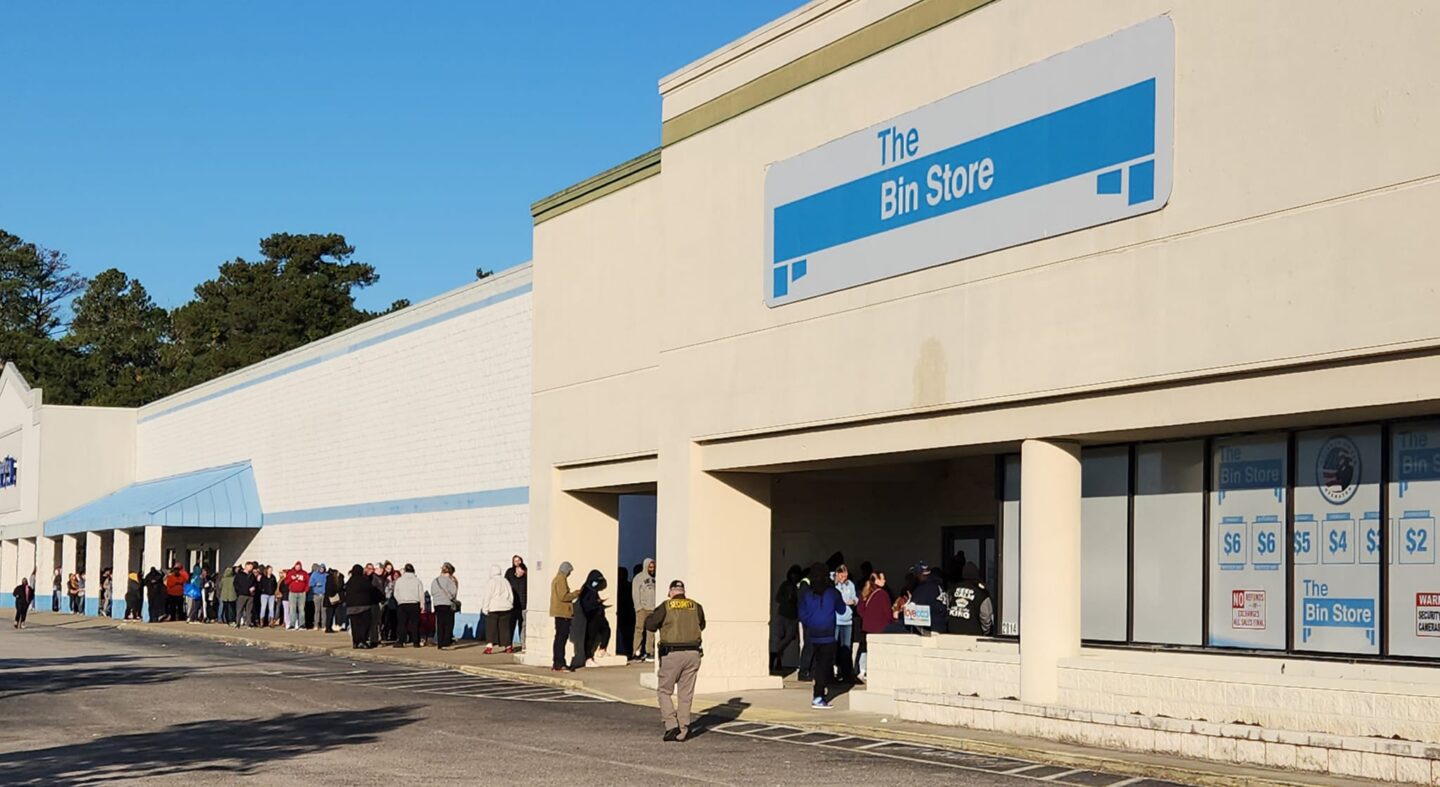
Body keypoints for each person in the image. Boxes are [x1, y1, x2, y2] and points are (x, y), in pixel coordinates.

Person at [645, 579, 706, 742]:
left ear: (671, 592)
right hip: (693, 654)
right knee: (685, 694)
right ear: (683, 592)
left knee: (664, 691)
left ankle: (672, 726)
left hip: (672, 655)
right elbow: (702, 625)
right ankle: (683, 729)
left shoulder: (666, 606)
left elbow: (650, 625)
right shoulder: (696, 606)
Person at [798, 563, 845, 709]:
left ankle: (818, 692)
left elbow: (801, 613)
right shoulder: (832, 592)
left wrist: (810, 622)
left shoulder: (807, 593)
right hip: (828, 634)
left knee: (817, 663)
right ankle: (818, 696)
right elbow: (842, 609)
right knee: (824, 665)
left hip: (813, 632)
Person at [856, 570, 892, 679]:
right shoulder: (883, 594)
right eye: (882, 578)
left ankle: (862, 670)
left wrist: (867, 617)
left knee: (865, 648)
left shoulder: (865, 592)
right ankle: (872, 670)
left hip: (867, 626)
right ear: (877, 580)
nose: (885, 580)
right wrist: (891, 621)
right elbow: (887, 612)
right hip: (880, 627)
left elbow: (860, 609)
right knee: (876, 650)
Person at [570, 569, 609, 669]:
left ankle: (602, 649)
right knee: (590, 637)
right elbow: (586, 604)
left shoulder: (593, 589)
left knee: (606, 630)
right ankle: (588, 658)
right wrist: (596, 603)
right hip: (592, 616)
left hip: (598, 614)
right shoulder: (587, 589)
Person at [946, 562, 994, 636]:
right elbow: (986, 617)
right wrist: (985, 632)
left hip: (952, 633)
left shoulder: (953, 589)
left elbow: (946, 607)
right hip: (973, 635)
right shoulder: (982, 593)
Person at [770, 564, 802, 674]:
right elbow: (778, 598)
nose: (794, 576)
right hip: (783, 614)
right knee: (779, 637)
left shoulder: (799, 586)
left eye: (796, 574)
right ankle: (777, 659)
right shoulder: (785, 585)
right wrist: (787, 599)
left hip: (793, 616)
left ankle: (775, 653)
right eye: (793, 574)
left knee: (788, 638)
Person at [550, 562, 581, 671]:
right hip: (563, 613)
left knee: (559, 638)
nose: (569, 574)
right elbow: (563, 596)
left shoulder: (557, 579)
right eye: (569, 571)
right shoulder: (561, 579)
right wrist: (576, 593)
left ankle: (557, 663)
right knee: (561, 639)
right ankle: (559, 663)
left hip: (559, 613)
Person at [832, 564, 858, 683]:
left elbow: (855, 598)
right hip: (836, 619)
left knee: (846, 648)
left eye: (845, 576)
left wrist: (853, 601)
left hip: (847, 620)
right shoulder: (833, 584)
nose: (843, 579)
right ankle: (833, 671)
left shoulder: (850, 584)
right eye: (842, 576)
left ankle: (846, 673)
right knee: (834, 646)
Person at [908, 561, 949, 634]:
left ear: (920, 574)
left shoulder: (924, 589)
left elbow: (911, 611)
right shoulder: (939, 586)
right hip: (943, 628)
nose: (915, 577)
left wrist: (904, 609)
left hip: (930, 630)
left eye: (915, 574)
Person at [345, 564, 381, 649]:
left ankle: (356, 642)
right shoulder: (364, 581)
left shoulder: (349, 582)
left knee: (355, 626)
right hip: (364, 606)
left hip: (351, 608)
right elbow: (371, 590)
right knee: (364, 625)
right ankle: (362, 641)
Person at [482, 563, 515, 654]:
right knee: (505, 628)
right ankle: (508, 646)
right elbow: (511, 595)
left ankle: (489, 647)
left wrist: (485, 608)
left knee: (491, 628)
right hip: (506, 608)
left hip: (493, 608)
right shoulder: (505, 581)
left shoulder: (491, 582)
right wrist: (510, 604)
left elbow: (487, 596)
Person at [393, 563, 424, 647]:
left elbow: (395, 593)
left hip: (402, 604)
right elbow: (421, 594)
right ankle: (416, 642)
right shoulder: (417, 581)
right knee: (415, 624)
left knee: (402, 624)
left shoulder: (399, 580)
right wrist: (422, 605)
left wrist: (399, 601)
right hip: (414, 604)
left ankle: (401, 641)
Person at [631, 558, 656, 662]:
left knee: (651, 631)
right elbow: (635, 593)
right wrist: (638, 607)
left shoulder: (655, 578)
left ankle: (650, 652)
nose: (652, 569)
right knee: (639, 630)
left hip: (653, 609)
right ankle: (636, 653)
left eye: (653, 567)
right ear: (646, 566)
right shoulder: (638, 578)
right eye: (650, 567)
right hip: (642, 608)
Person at [431, 563, 459, 649]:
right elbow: (453, 592)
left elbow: (432, 592)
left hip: (437, 604)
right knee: (448, 624)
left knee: (440, 624)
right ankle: (446, 643)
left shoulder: (435, 580)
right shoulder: (450, 581)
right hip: (447, 604)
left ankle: (440, 643)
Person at [504, 555, 527, 650]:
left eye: (519, 560)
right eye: (515, 561)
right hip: (512, 605)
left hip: (523, 605)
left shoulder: (526, 575)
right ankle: (508, 645)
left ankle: (524, 644)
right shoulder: (510, 573)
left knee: (523, 626)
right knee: (510, 626)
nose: (517, 562)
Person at [283, 561, 309, 630]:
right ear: (295, 566)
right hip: (292, 593)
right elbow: (286, 582)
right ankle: (292, 624)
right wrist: (291, 578)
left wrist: (306, 590)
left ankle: (302, 624)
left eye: (299, 566)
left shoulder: (304, 573)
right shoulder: (291, 573)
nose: (298, 567)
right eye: (297, 566)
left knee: (301, 609)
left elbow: (307, 582)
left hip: (302, 593)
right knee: (292, 609)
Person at [234, 562, 256, 627]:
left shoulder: (252, 575)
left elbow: (255, 583)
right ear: (246, 566)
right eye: (250, 567)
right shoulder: (239, 575)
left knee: (249, 610)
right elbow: (235, 584)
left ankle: (248, 623)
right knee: (239, 609)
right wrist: (239, 592)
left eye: (252, 567)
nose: (251, 568)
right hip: (242, 595)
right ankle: (238, 623)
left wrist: (254, 587)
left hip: (250, 595)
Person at [324, 567, 344, 633]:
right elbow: (338, 588)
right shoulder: (333, 579)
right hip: (332, 599)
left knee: (330, 614)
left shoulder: (329, 578)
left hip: (329, 599)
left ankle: (328, 627)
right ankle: (328, 627)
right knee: (330, 614)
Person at [308, 563, 328, 629]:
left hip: (324, 595)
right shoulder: (314, 574)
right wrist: (316, 584)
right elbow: (310, 584)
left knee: (324, 610)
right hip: (316, 595)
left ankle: (323, 625)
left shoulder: (326, 575)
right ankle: (316, 624)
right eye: (320, 568)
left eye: (323, 568)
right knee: (317, 610)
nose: (322, 569)